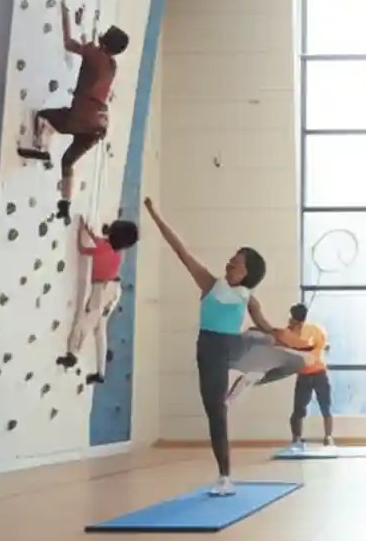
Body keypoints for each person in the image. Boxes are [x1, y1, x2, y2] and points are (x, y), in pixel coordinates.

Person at [143, 196, 309, 496]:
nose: (230, 261)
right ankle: (225, 477)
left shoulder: (249, 298)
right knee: (215, 413)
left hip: (237, 346)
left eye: (237, 261)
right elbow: (180, 249)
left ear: (245, 272)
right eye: (232, 257)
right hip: (210, 351)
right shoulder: (210, 283)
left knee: (294, 361)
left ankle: (251, 378)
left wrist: (300, 345)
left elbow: (269, 327)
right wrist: (154, 213)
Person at [18, 0, 129, 225]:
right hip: (99, 125)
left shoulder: (94, 53)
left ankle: (42, 148)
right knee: (68, 161)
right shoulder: (111, 65)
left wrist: (65, 16)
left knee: (43, 116)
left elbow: (69, 43)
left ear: (106, 40)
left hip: (82, 115)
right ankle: (65, 205)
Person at [56, 215, 139, 384]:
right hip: (114, 290)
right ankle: (100, 372)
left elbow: (83, 249)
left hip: (101, 290)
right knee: (99, 330)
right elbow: (98, 241)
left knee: (84, 322)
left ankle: (72, 353)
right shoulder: (116, 252)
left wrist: (80, 231)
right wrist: (89, 232)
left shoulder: (103, 247)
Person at [283, 303, 334, 451]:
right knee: (299, 410)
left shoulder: (308, 331)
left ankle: (328, 438)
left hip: (317, 373)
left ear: (294, 318)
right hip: (307, 374)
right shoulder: (293, 332)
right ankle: (297, 439)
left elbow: (318, 344)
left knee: (324, 406)